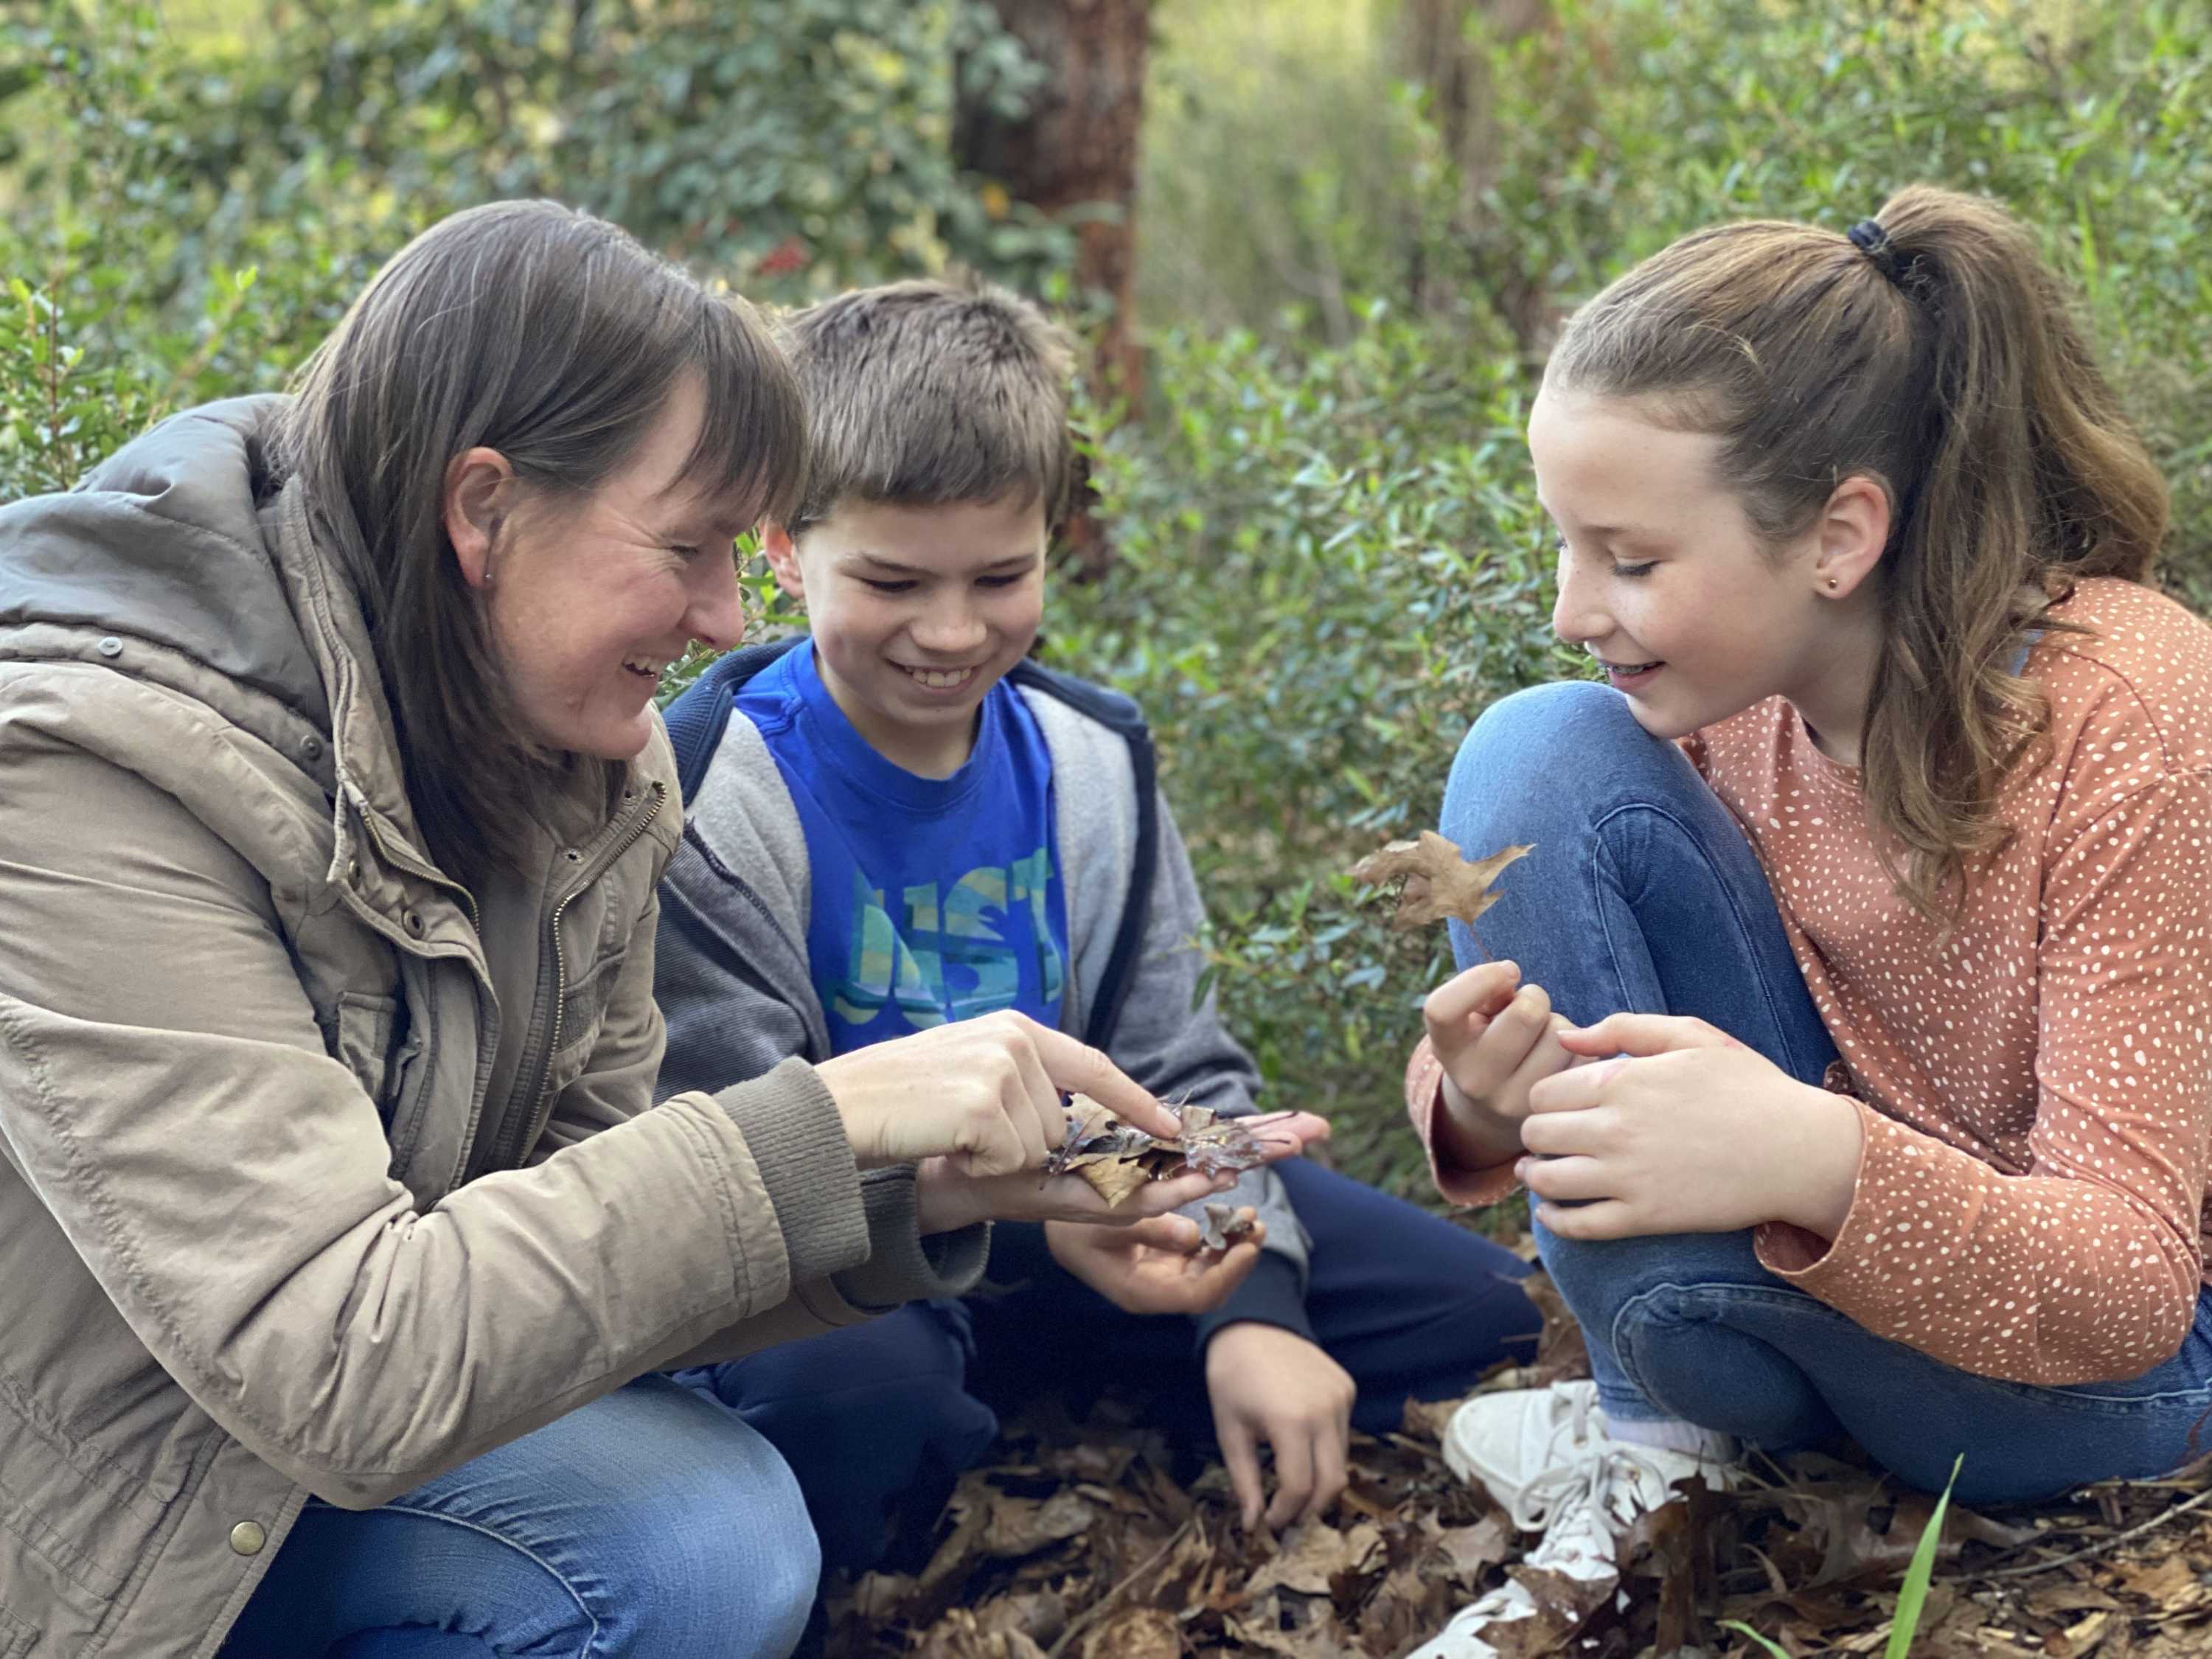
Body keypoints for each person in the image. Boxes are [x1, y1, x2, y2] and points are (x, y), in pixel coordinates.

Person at [0, 202, 1216, 1659]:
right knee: (684, 1552)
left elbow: (586, 1223)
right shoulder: (84, 779)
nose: (724, 620)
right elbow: (336, 1352)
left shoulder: (583, 754)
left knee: (706, 1537)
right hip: (102, 1518)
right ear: (484, 509)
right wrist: (823, 1119)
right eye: (690, 550)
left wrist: (927, 1187)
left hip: (325, 1443)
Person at [1396, 185, 2208, 1658]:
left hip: (2096, 1380)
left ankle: (1659, 1442)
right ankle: (1657, 1456)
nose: (1578, 604)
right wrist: (1477, 1099)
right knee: (1535, 746)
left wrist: (1802, 1150)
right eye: (1569, 549)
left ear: (1839, 536)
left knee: (1551, 744)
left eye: (1632, 561)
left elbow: (2134, 1292)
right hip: (1817, 1288)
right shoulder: (1724, 693)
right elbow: (1568, 1031)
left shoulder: (2128, 719)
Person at [652, 276, 1543, 1573]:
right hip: (862, 1259)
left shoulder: (1093, 764)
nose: (952, 631)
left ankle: (1106, 1383)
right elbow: (757, 1167)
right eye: (893, 579)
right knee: (848, 1394)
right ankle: (920, 1469)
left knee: (1476, 1310)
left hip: (1096, 1202)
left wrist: (1258, 1298)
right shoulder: (713, 796)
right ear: (785, 550)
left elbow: (1179, 1071)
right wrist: (1057, 1210)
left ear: (1051, 542)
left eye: (1000, 576)